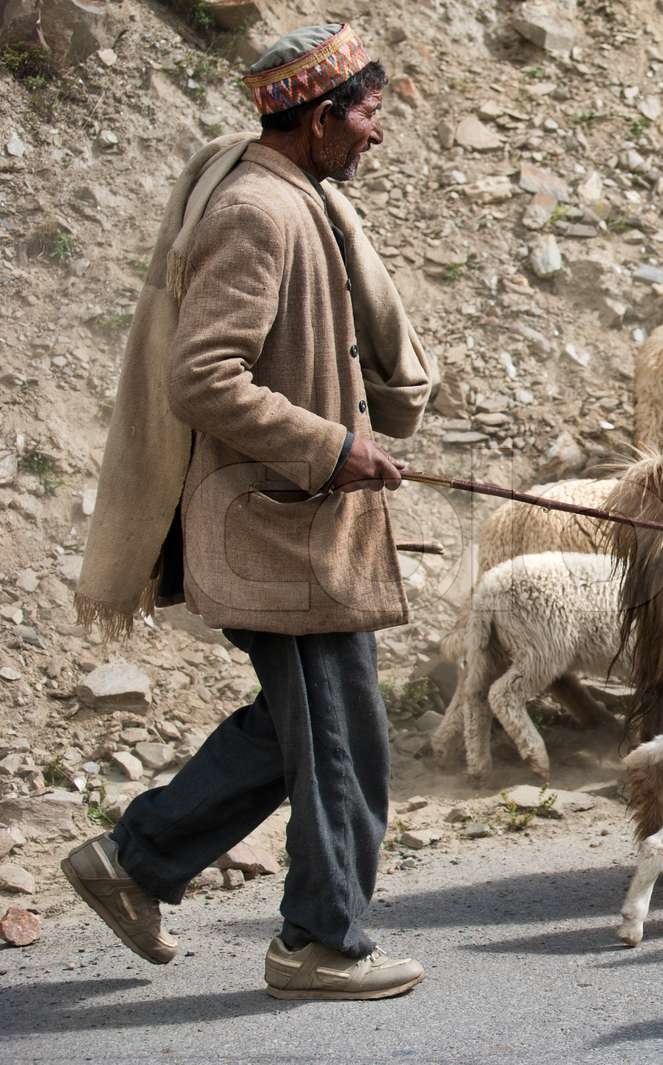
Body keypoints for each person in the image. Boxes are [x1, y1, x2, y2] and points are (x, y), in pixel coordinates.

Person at [63, 23, 438, 1001]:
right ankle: (318, 941)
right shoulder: (257, 213)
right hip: (277, 527)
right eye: (366, 115)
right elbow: (202, 376)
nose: (375, 136)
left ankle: (135, 863)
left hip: (299, 523)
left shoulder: (296, 196)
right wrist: (331, 447)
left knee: (298, 730)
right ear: (319, 119)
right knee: (340, 738)